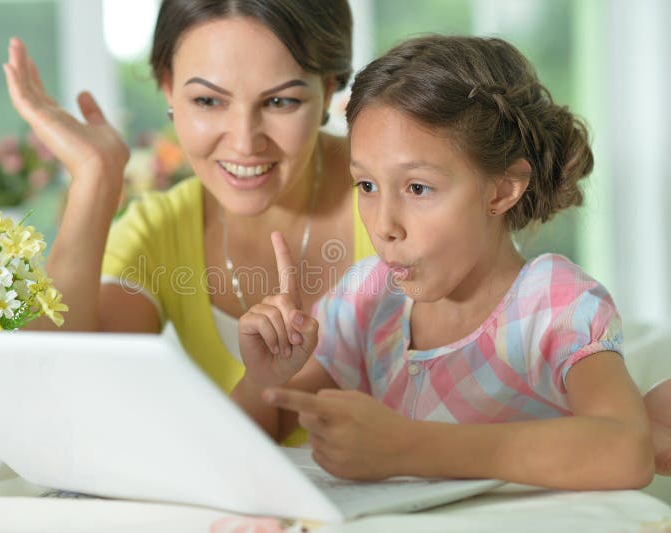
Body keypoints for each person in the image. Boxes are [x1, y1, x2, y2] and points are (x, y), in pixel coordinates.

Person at [231, 35, 656, 489]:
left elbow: (627, 450)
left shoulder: (554, 304)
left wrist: (410, 446)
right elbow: (245, 444)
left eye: (418, 188)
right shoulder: (368, 298)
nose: (384, 224)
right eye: (367, 186)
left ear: (501, 190)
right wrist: (263, 380)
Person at [2, 0, 374, 395]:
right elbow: (52, 389)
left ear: (328, 88)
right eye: (209, 101)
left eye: (280, 101)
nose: (245, 142)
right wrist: (95, 178)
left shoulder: (401, 192)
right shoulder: (160, 230)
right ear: (168, 89)